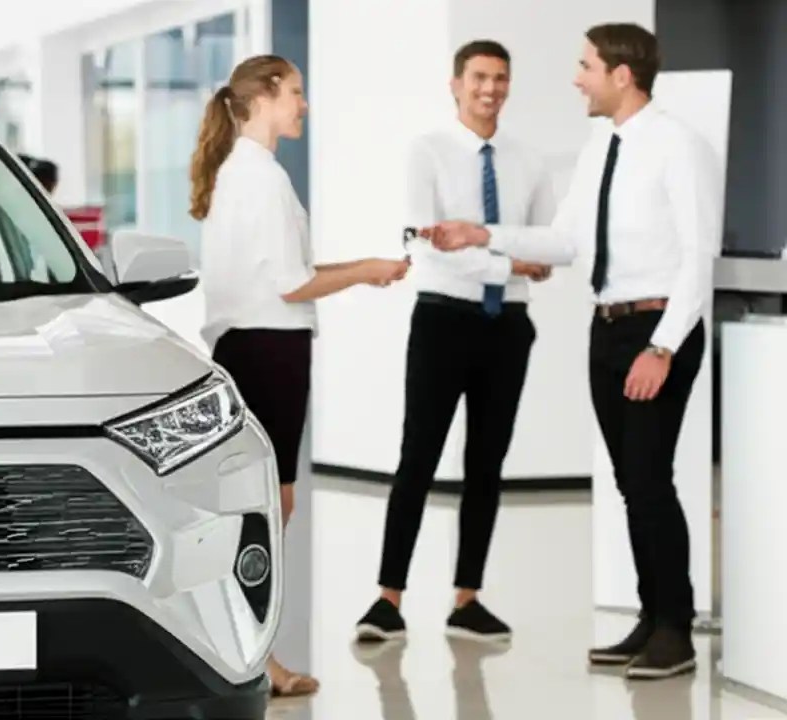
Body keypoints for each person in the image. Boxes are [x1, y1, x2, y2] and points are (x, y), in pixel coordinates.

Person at [421, 23, 719, 680]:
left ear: (621, 75)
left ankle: (675, 631)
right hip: (606, 328)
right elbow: (563, 242)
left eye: (586, 66)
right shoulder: (599, 149)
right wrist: (482, 233)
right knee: (630, 484)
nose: (577, 79)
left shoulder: (679, 145)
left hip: (656, 329)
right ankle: (651, 618)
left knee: (649, 480)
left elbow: (700, 257)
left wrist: (663, 347)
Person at [190, 54, 410, 697]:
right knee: (267, 508)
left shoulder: (240, 173)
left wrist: (364, 267)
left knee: (261, 506)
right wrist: (366, 271)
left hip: (252, 346)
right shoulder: (261, 177)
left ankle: (247, 650)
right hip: (270, 350)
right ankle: (252, 655)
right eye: (295, 92)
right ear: (263, 97)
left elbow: (286, 275)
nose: (303, 104)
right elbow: (292, 285)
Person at [354, 40, 557, 646]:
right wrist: (511, 259)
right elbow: (426, 247)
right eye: (478, 77)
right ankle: (387, 600)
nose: (489, 88)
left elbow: (548, 248)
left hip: (508, 326)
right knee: (418, 456)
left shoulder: (530, 160)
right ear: (455, 84)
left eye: (500, 78)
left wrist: (488, 247)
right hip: (442, 320)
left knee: (487, 462)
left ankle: (468, 599)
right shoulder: (428, 152)